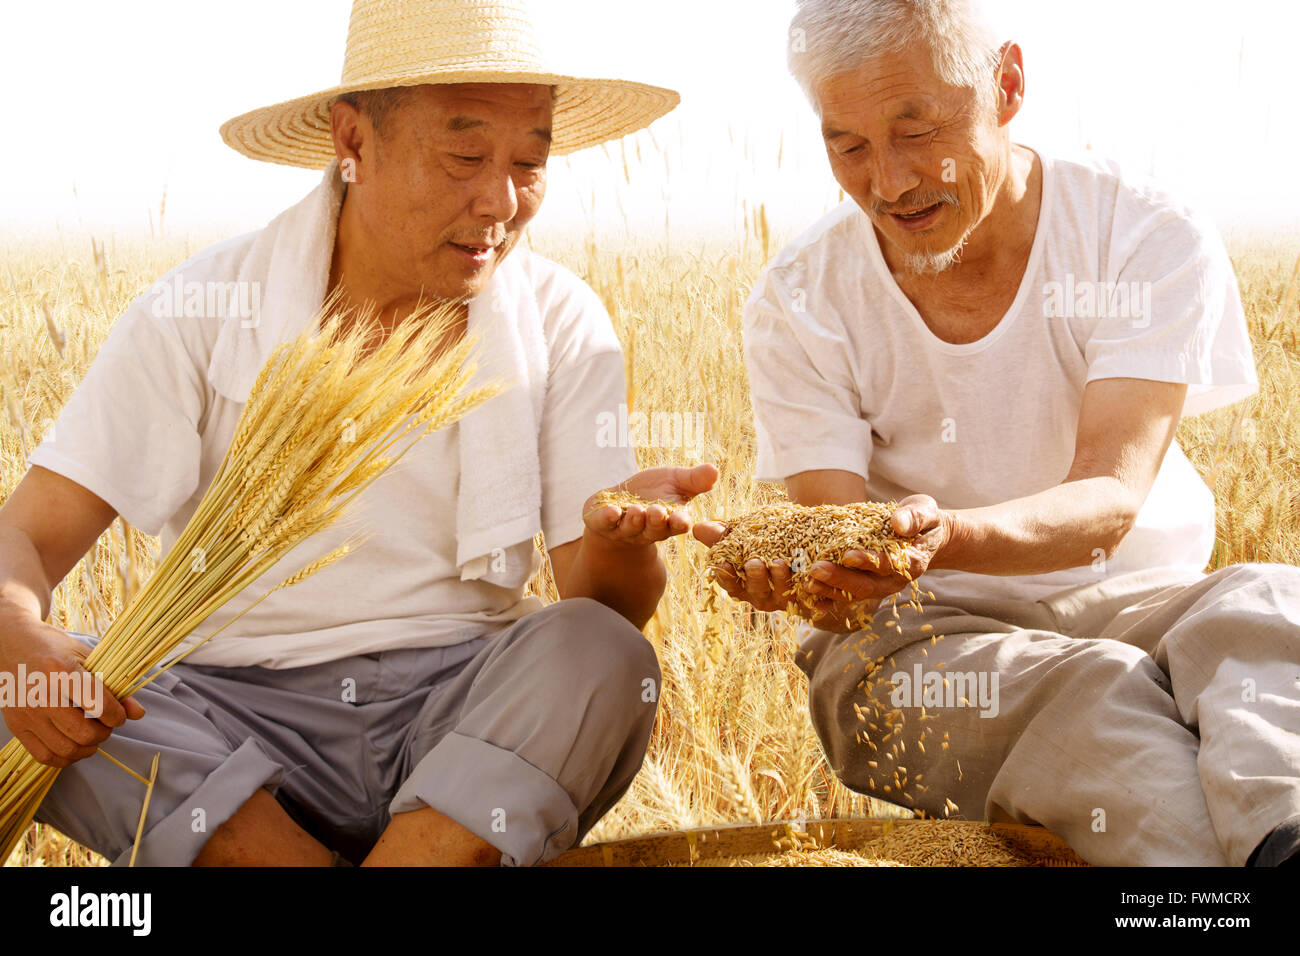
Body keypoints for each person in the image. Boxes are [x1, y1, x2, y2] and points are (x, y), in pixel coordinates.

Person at [0, 0, 712, 867]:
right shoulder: (203, 311)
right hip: (227, 725)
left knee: (603, 651)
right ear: (353, 141)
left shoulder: (560, 320)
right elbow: (26, 537)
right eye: (463, 155)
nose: (500, 199)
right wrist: (21, 639)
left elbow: (601, 603)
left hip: (462, 715)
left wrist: (623, 540)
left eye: (531, 160)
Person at [695, 0, 1299, 866]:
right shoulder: (800, 298)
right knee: (1097, 696)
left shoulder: (1140, 236)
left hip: (1143, 602)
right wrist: (812, 575)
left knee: (1272, 606)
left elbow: (1109, 500)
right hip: (917, 640)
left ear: (1007, 84)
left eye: (918, 128)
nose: (891, 183)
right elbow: (851, 562)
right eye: (848, 145)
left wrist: (940, 535)